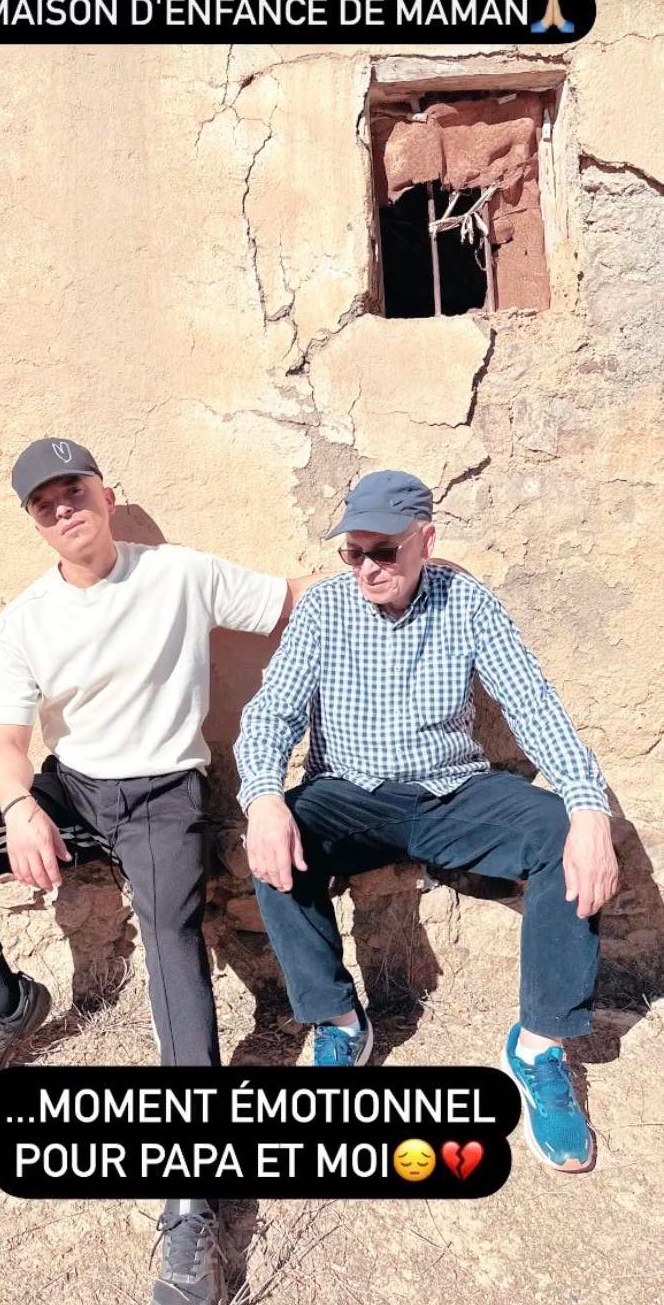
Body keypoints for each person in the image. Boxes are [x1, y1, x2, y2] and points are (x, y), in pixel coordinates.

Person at [0, 436, 319, 1305]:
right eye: (44, 502)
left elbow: (291, 600)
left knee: (173, 955)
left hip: (165, 793)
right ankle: (1, 1000)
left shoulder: (178, 574)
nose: (63, 509)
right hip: (73, 790)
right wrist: (20, 808)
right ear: (33, 521)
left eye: (74, 490)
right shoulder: (26, 617)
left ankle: (193, 1198)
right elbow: (5, 748)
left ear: (107, 494)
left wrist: (389, 565)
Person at [235, 469, 619, 1173]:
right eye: (354, 552)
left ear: (425, 540)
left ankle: (539, 1047)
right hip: (346, 793)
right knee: (277, 834)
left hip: (452, 793)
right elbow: (271, 712)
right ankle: (341, 1024)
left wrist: (588, 804)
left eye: (385, 551)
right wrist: (260, 795)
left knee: (563, 831)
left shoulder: (466, 603)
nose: (368, 568)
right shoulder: (324, 609)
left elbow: (532, 706)